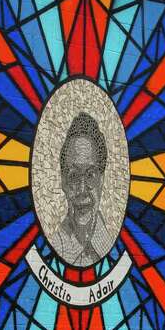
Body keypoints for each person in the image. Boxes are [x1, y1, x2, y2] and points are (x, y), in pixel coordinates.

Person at [50, 112, 113, 267]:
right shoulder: (55, 247)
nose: (82, 189)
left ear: (102, 180)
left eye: (91, 174)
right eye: (74, 176)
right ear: (63, 182)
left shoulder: (113, 246)